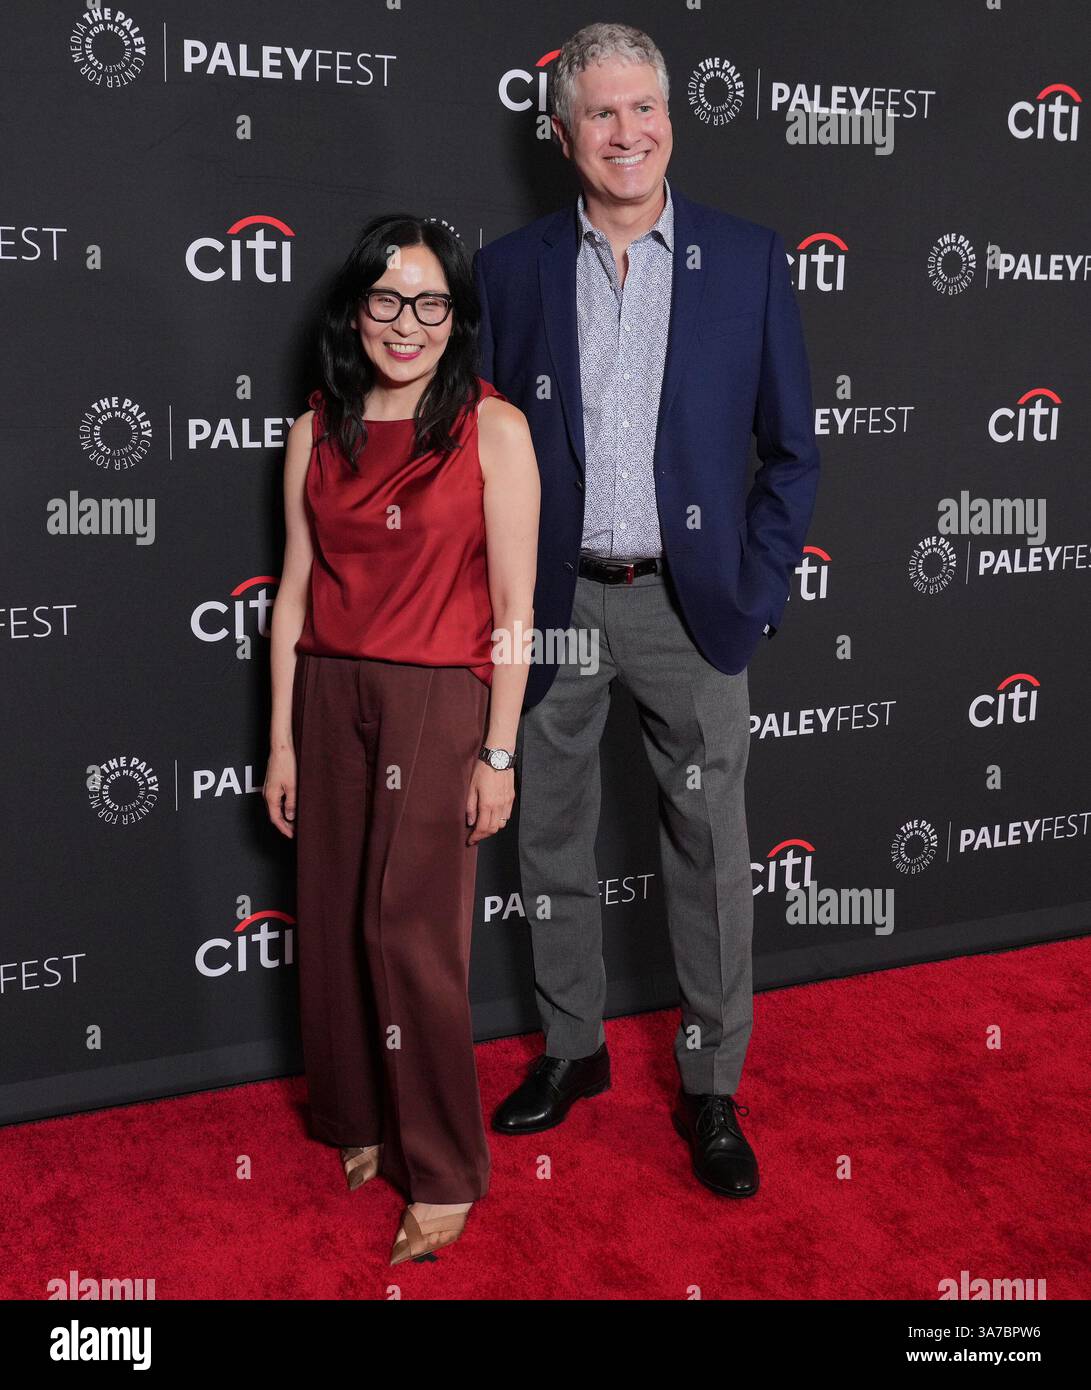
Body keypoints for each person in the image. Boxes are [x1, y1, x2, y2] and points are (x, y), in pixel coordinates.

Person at [473, 23, 820, 1198]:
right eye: (601, 114)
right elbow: (485, 447)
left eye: (644, 109)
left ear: (671, 118)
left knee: (711, 853)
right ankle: (571, 1052)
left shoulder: (747, 256)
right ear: (562, 133)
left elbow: (792, 453)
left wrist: (753, 590)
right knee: (548, 835)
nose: (627, 132)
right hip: (561, 602)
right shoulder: (512, 269)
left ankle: (710, 1085)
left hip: (690, 610)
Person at [264, 214, 539, 1261]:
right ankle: (360, 1119)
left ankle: (444, 1167)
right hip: (329, 692)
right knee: (334, 922)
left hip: (435, 698)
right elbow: (291, 593)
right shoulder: (315, 428)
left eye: (430, 302)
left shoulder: (492, 429)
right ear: (356, 309)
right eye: (387, 298)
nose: (407, 322)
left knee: (406, 934)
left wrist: (499, 750)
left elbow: (514, 604)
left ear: (455, 317)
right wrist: (283, 741)